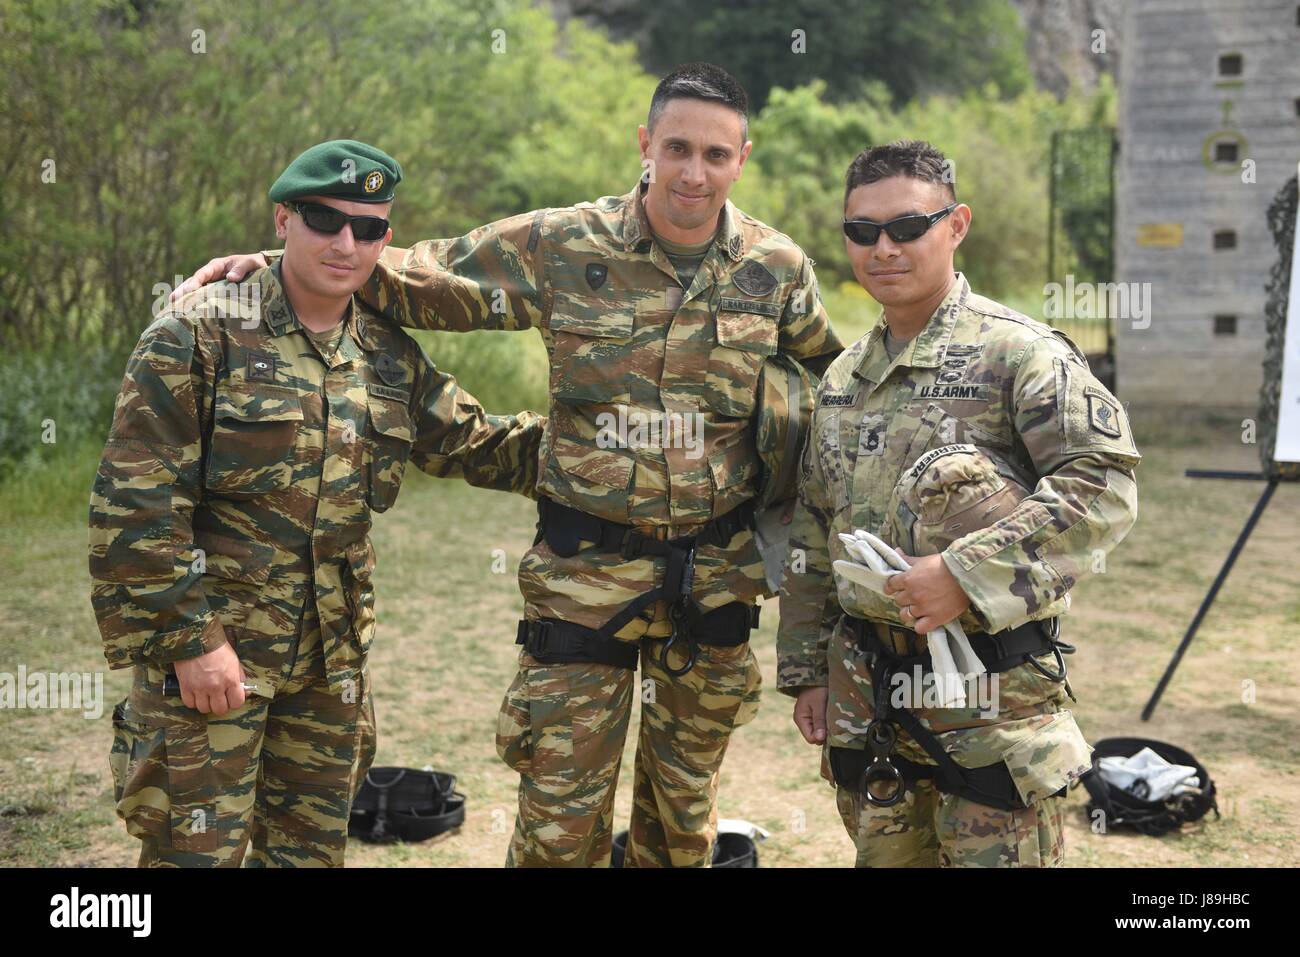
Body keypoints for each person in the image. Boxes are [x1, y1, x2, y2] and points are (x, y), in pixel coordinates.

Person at [175, 64, 844, 867]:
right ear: (645, 145)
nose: (692, 172)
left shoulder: (777, 269)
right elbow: (432, 280)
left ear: (742, 157)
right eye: (676, 148)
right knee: (559, 824)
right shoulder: (564, 243)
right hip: (582, 583)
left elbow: (831, 391)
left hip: (716, 588)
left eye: (714, 153)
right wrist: (287, 257)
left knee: (682, 821)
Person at [91, 139, 544, 867]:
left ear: (385, 239)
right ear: (283, 220)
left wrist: (616, 449)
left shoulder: (384, 353)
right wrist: (191, 642)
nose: (345, 242)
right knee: (192, 855)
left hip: (329, 666)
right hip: (218, 663)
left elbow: (477, 441)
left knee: (309, 855)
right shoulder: (198, 333)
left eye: (367, 228)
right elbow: (136, 509)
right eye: (324, 219)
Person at [777, 139, 1141, 867]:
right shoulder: (845, 377)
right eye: (862, 231)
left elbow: (1102, 486)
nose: (883, 247)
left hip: (992, 702)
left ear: (957, 224)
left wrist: (963, 572)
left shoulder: (1020, 355)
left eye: (908, 227)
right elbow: (816, 530)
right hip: (872, 700)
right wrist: (807, 669)